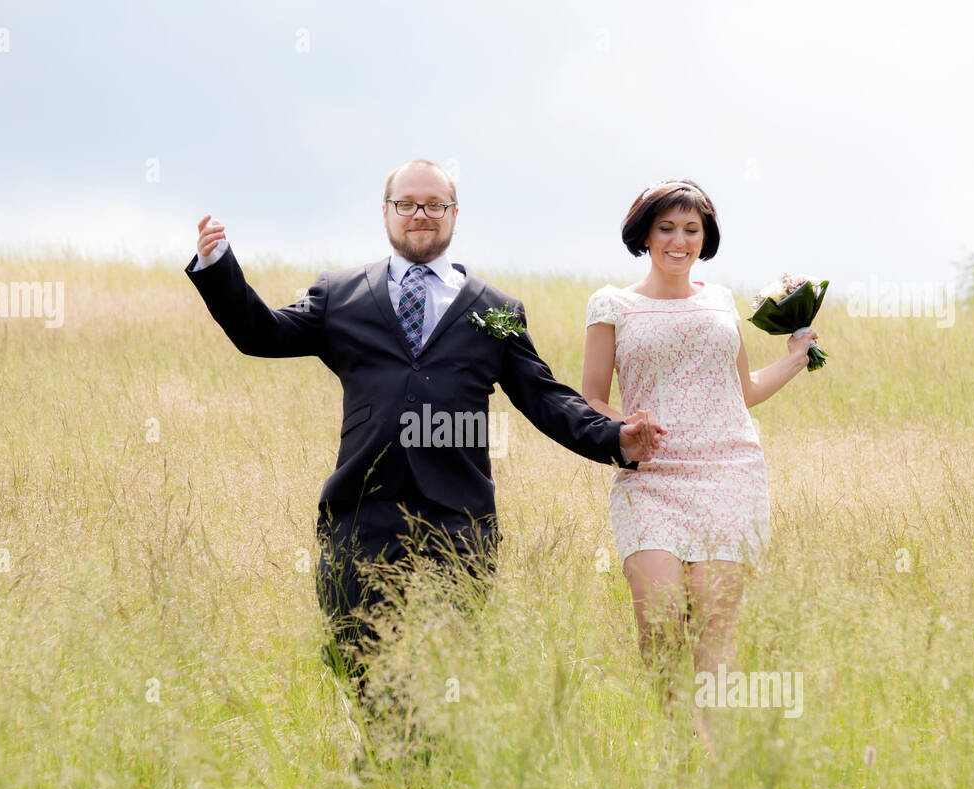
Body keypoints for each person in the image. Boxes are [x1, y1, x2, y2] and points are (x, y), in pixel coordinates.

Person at [186, 159, 666, 711]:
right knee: (365, 679)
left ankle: (438, 786)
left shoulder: (495, 311)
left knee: (444, 684)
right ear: (386, 212)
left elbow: (542, 395)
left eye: (434, 205)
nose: (420, 214)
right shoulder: (339, 295)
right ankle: (384, 784)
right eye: (407, 204)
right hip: (359, 517)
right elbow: (259, 334)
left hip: (457, 526)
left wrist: (613, 436)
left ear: (454, 214)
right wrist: (217, 264)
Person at [580, 179, 820, 750]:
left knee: (716, 628)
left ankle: (712, 757)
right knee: (659, 622)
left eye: (692, 229)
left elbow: (743, 389)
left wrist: (792, 358)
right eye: (667, 228)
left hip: (728, 473)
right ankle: (674, 743)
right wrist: (623, 428)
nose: (679, 240)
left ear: (705, 237)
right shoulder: (612, 304)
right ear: (645, 233)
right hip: (652, 479)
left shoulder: (721, 301)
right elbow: (589, 395)